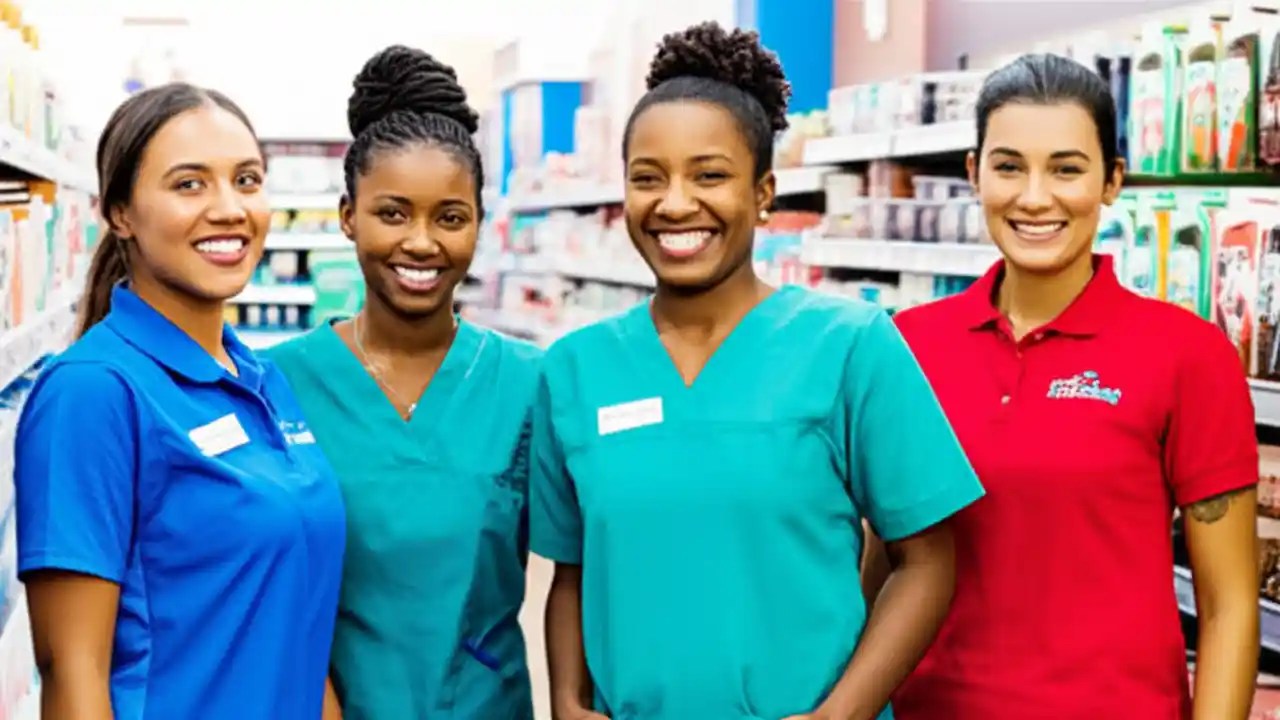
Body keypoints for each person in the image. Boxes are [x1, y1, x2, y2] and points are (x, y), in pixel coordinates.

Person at [530, 21, 986, 720]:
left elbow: (926, 560)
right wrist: (566, 700)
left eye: (709, 175)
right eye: (648, 178)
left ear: (764, 192)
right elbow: (572, 569)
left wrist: (842, 713)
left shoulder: (852, 345)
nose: (675, 202)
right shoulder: (575, 369)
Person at [878, 53, 1260, 720]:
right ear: (973, 173)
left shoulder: (1189, 355)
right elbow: (879, 567)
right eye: (1008, 167)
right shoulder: (904, 347)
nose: (1034, 197)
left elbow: (1228, 604)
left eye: (1066, 169)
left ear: (1112, 181)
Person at [14, 83, 346, 719]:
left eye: (246, 180)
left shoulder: (262, 380)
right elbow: (73, 673)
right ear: (120, 213)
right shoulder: (92, 392)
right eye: (189, 184)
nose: (229, 208)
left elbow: (297, 633)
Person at [265, 45, 540, 720]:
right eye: (392, 213)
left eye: (450, 217)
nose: (421, 242)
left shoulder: (528, 384)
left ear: (479, 223)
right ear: (347, 215)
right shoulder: (278, 385)